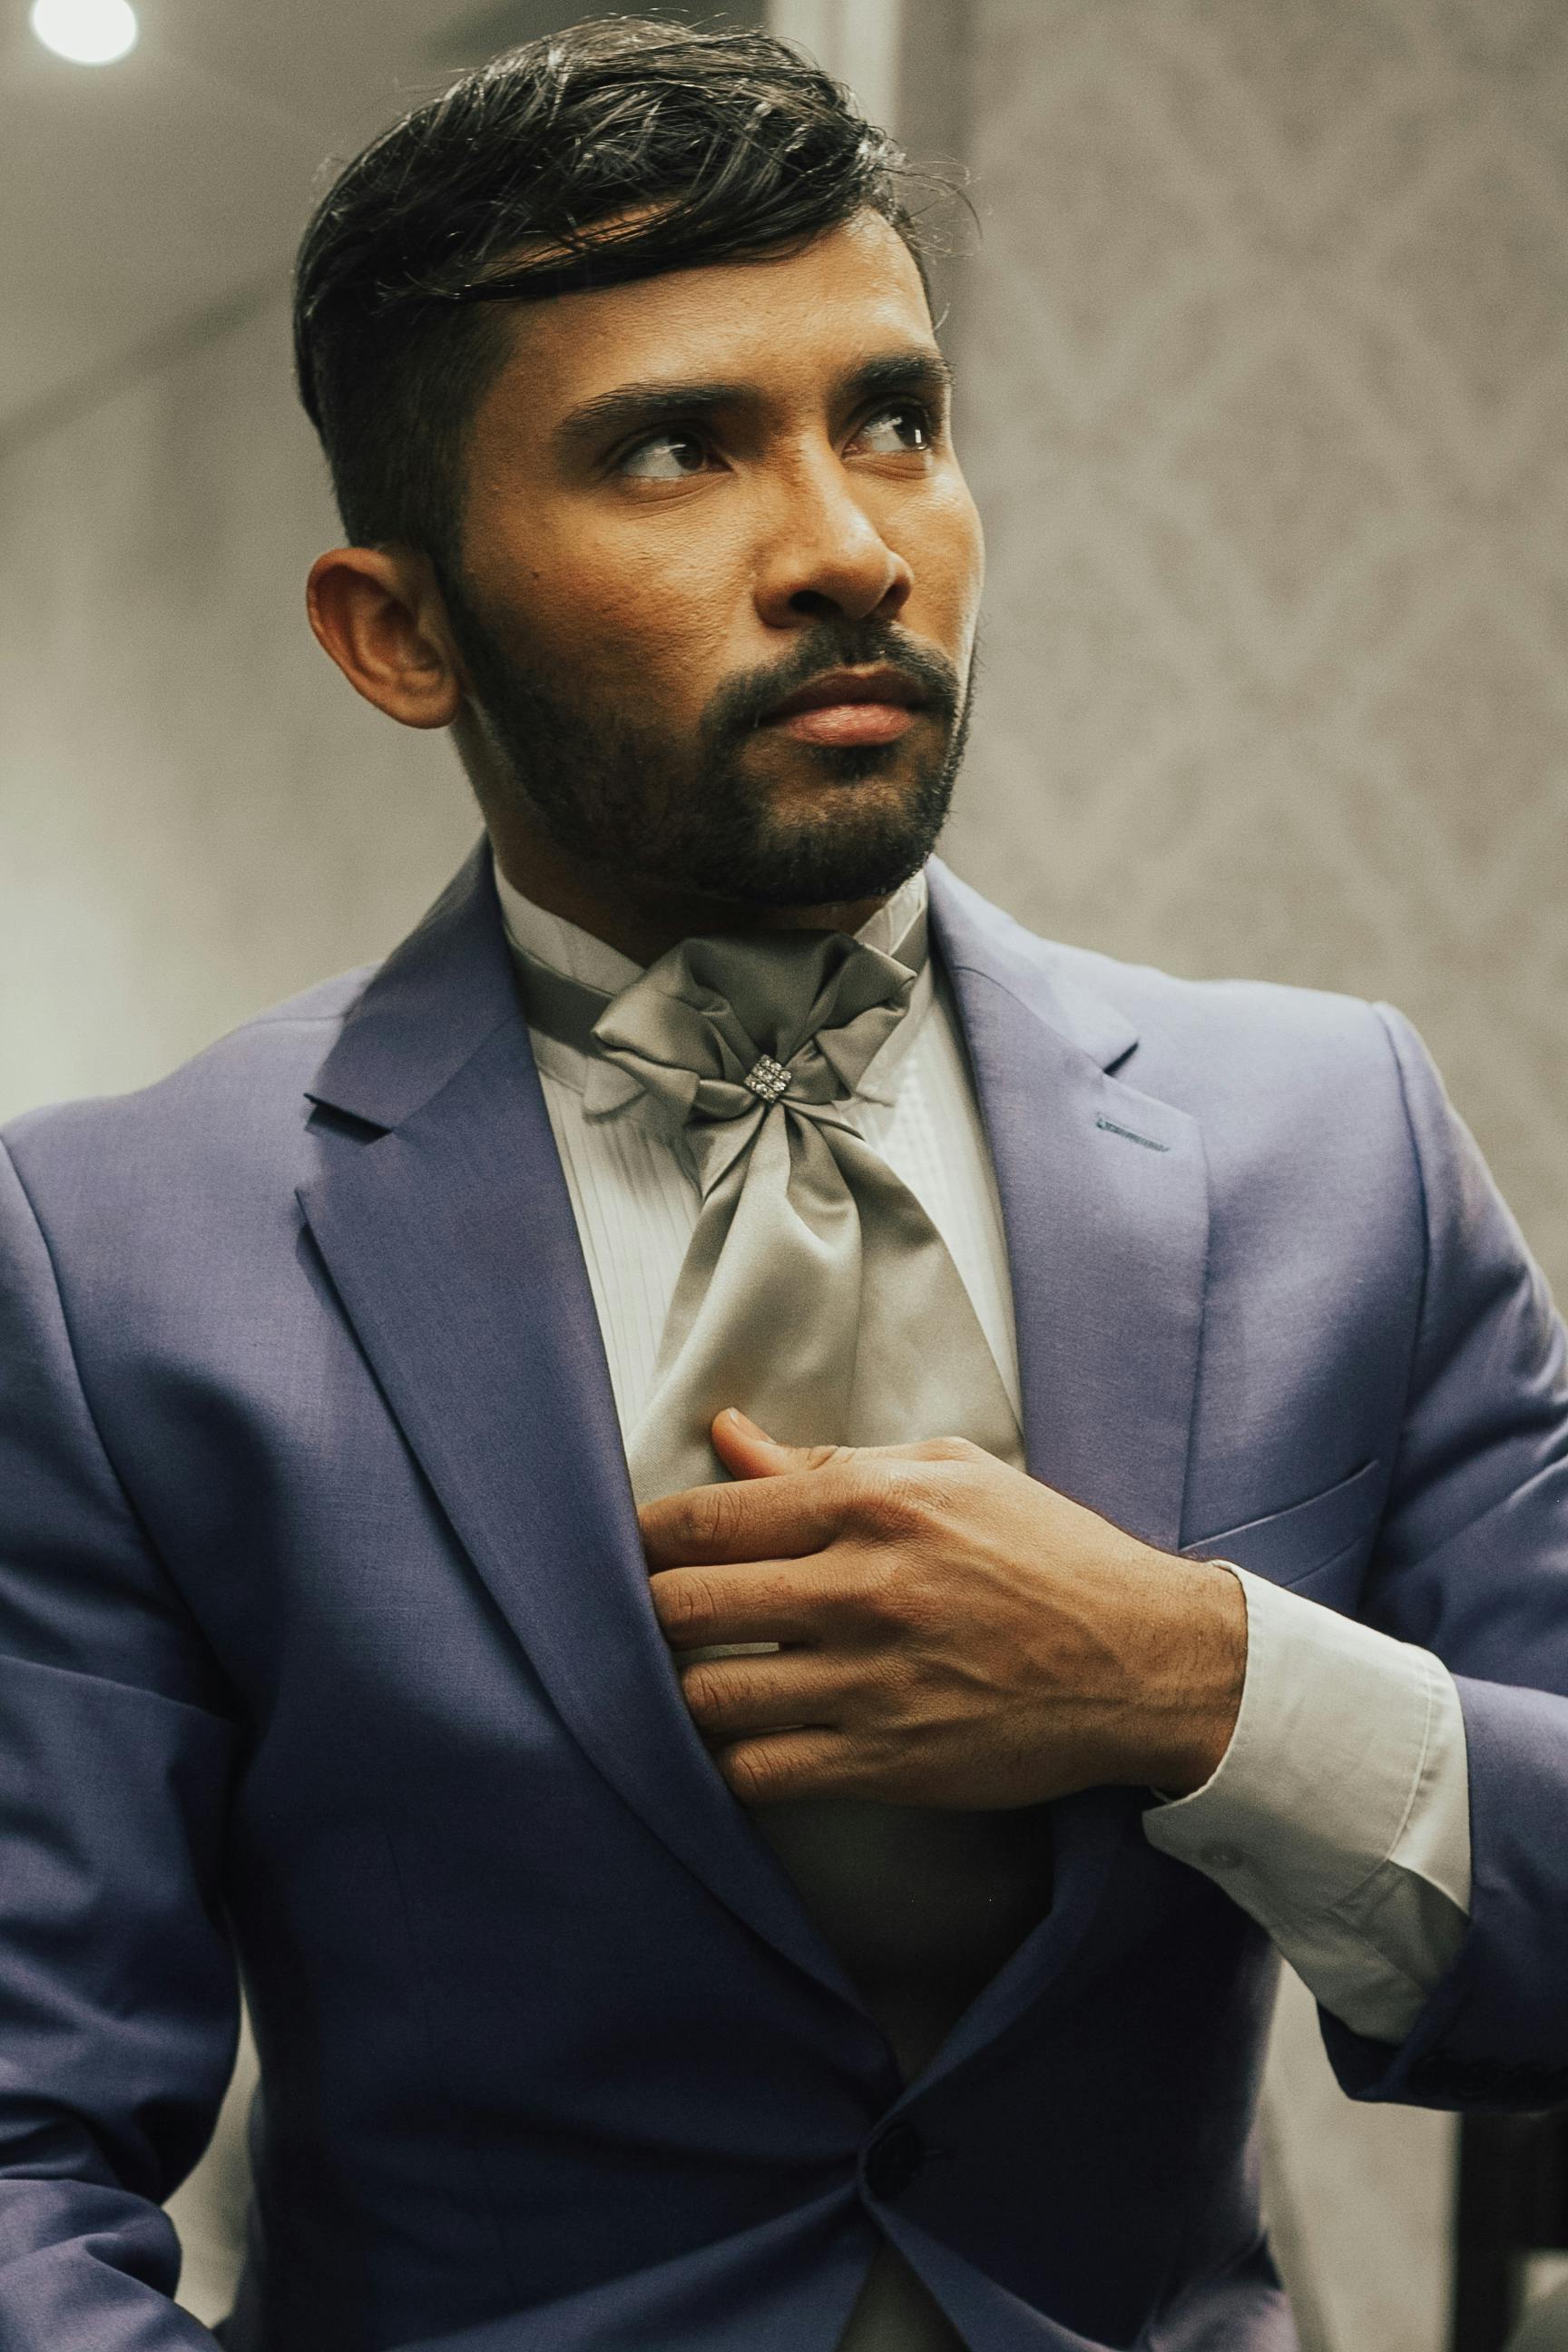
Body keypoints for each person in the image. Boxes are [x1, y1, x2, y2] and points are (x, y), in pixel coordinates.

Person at [1, 17, 1564, 2351]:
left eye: (898, 420)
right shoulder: (117, 1263)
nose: (852, 549)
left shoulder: (1336, 1143)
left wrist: (1194, 1681)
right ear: (397, 629)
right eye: (671, 450)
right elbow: (28, 2152)